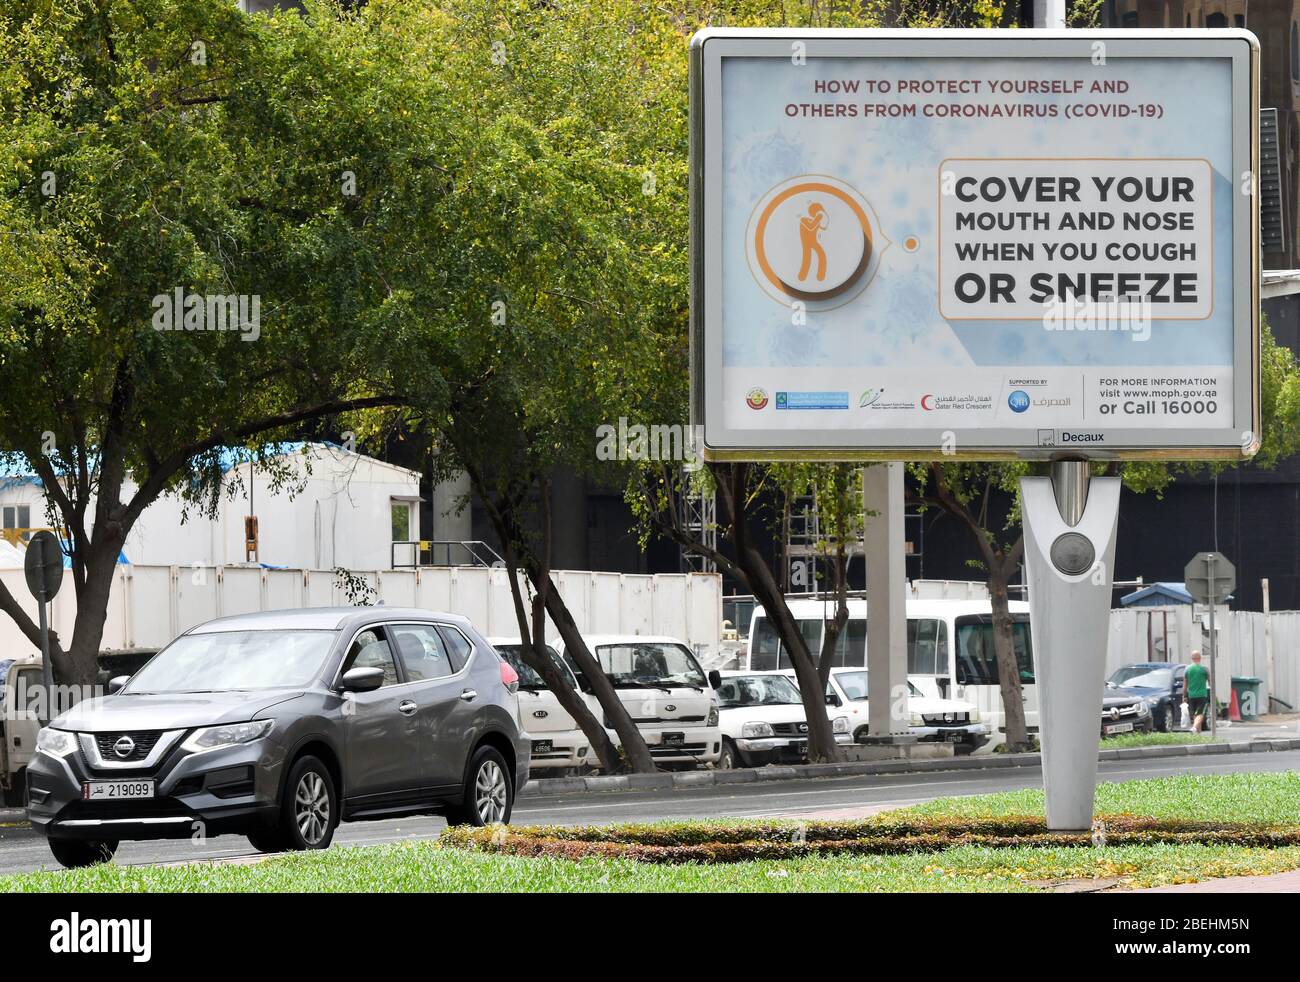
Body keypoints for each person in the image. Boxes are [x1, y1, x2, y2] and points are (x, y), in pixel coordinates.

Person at [1185, 650, 1210, 733]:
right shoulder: (1204, 669)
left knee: (1195, 714)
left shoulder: (1187, 669)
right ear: (1200, 658)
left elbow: (1185, 684)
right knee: (1200, 714)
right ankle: (1194, 727)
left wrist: (1184, 696)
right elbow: (1210, 682)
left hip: (1191, 695)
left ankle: (1198, 734)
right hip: (1202, 695)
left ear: (1192, 658)